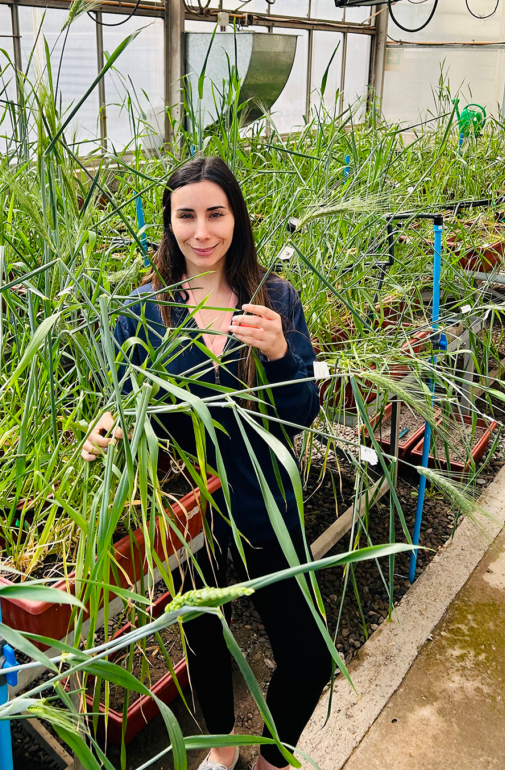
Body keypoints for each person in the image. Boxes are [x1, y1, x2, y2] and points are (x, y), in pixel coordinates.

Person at [82, 155, 332, 770]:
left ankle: (273, 760)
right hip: (189, 513)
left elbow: (300, 412)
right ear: (168, 224)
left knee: (307, 655)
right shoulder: (143, 311)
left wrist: (278, 353)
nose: (201, 231)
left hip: (267, 503)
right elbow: (125, 411)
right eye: (185, 215)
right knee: (205, 642)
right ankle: (220, 753)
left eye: (215, 214)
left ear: (236, 218)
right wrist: (102, 436)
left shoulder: (273, 298)